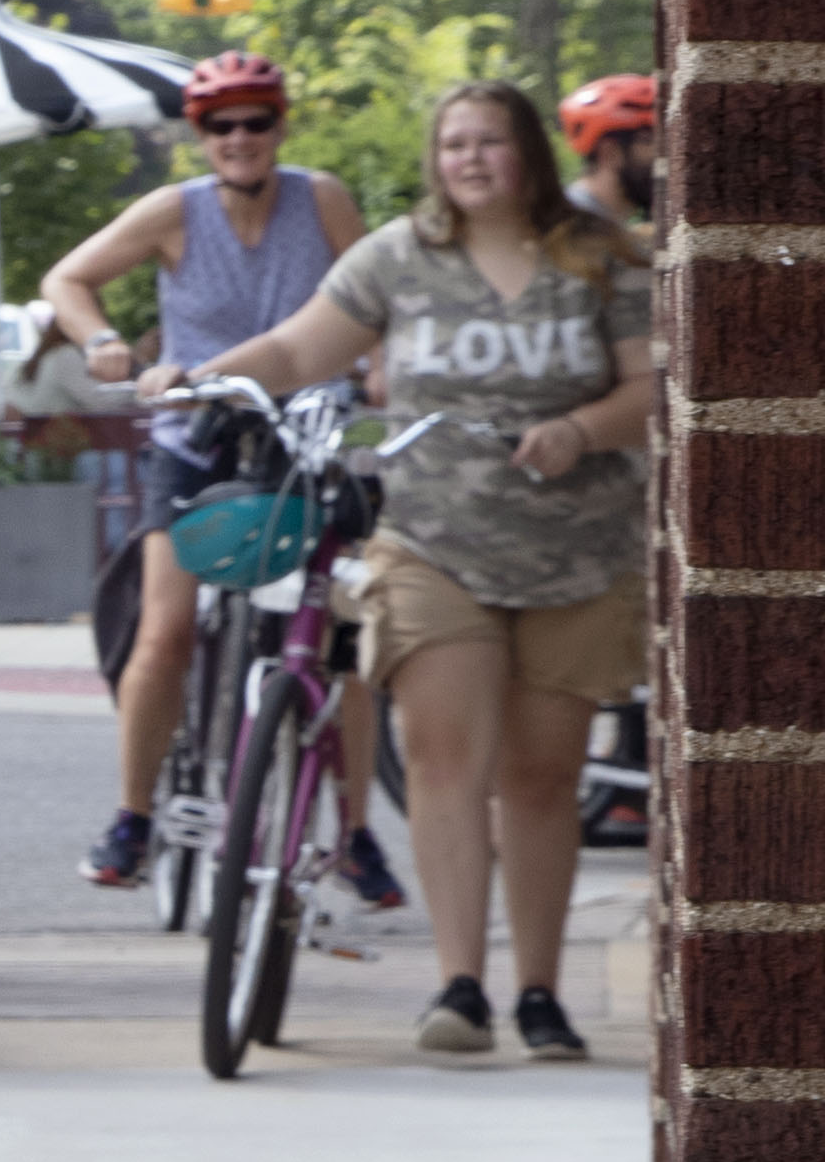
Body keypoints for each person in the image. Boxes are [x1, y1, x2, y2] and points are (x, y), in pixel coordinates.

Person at [142, 80, 658, 1061]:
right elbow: (301, 344)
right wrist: (206, 376)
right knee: (443, 759)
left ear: (529, 157)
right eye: (453, 142)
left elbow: (649, 387)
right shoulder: (397, 255)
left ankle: (540, 991)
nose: (469, 158)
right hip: (432, 542)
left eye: (490, 142)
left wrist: (579, 428)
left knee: (541, 775)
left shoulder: (598, 259)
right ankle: (459, 986)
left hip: (575, 553)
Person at [40, 51, 398, 906]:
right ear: (199, 136)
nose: (241, 139)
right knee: (163, 630)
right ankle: (131, 819)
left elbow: (375, 296)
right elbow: (68, 278)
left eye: (257, 121)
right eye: (220, 125)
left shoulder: (325, 199)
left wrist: (381, 367)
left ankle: (353, 833)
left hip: (308, 434)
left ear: (281, 126)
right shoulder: (174, 212)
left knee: (338, 642)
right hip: (193, 434)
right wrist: (102, 343)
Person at [565, 72, 659, 241]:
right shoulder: (571, 231)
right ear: (610, 153)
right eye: (649, 141)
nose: (662, 155)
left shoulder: (605, 225)